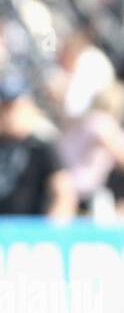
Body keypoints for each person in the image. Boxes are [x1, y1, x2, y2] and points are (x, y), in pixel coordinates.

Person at [0, 74, 76, 219]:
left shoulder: (41, 146)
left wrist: (52, 230)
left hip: (28, 232)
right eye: (4, 108)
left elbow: (63, 191)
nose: (8, 115)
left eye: (13, 108)